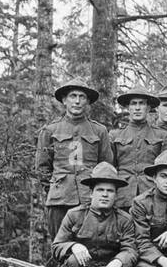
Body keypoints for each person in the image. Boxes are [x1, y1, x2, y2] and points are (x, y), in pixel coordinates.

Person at [52, 162, 139, 267]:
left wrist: (119, 261)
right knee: (72, 261)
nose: (105, 195)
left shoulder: (124, 220)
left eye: (110, 191)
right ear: (91, 193)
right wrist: (73, 246)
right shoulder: (74, 215)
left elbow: (131, 250)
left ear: (116, 195)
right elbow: (56, 247)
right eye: (100, 190)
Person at [34, 77, 114, 239]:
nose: (77, 101)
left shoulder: (99, 131)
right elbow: (42, 168)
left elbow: (106, 166)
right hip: (59, 199)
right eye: (73, 96)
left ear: (88, 102)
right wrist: (55, 188)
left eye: (81, 97)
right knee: (60, 245)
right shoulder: (50, 130)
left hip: (89, 200)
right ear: (64, 100)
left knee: (89, 245)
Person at [111, 83, 167, 209]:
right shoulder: (115, 135)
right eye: (133, 103)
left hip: (151, 194)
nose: (137, 108)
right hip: (122, 195)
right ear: (127, 107)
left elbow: (166, 169)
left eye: (141, 103)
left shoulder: (161, 135)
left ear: (148, 107)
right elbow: (110, 167)